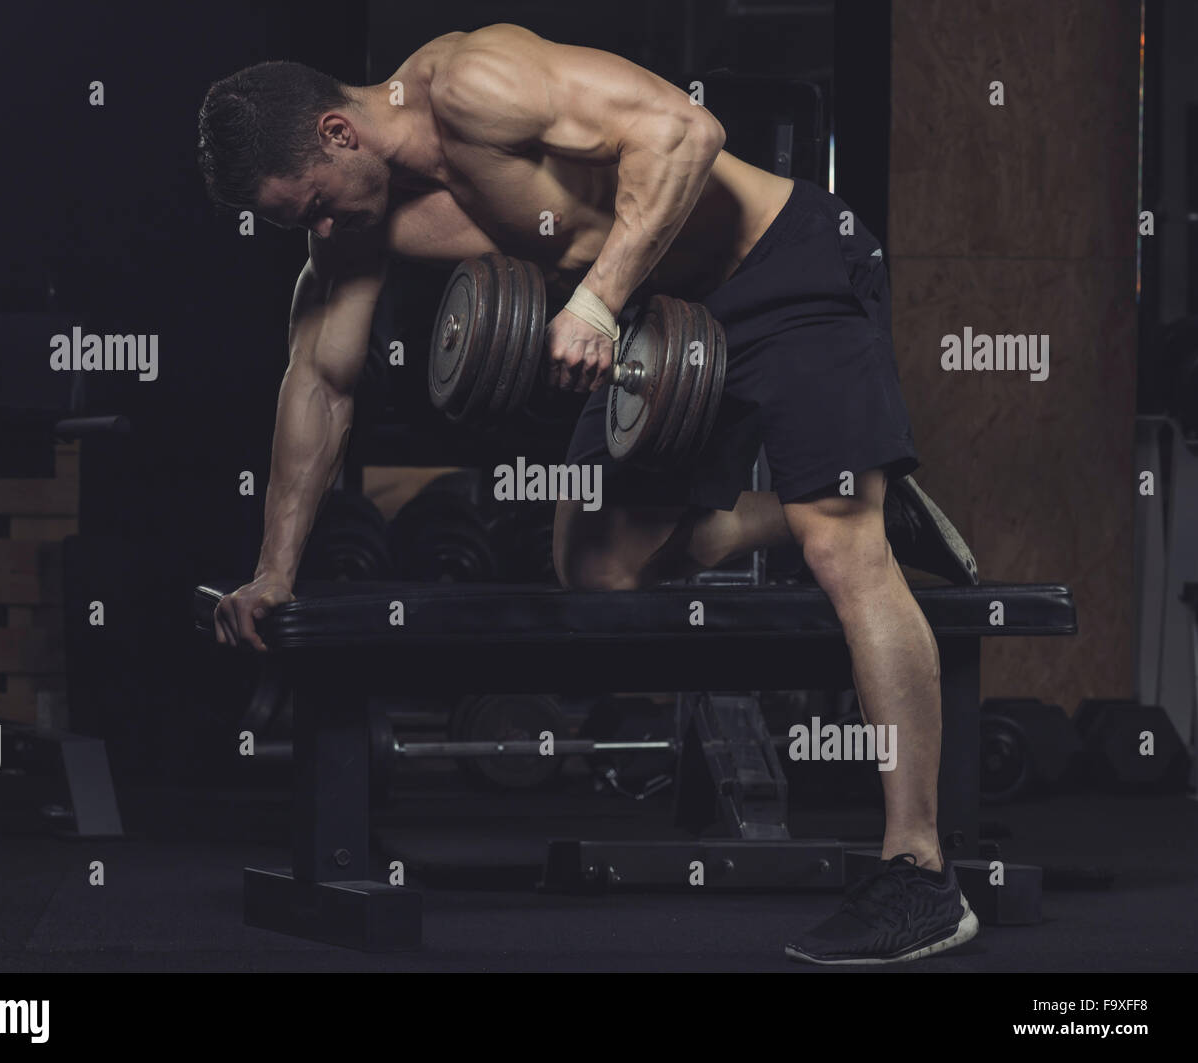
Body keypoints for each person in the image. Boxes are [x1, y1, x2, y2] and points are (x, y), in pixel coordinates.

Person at [198, 23, 978, 963]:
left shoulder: (476, 81)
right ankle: (866, 499)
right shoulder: (360, 228)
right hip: (665, 316)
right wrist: (273, 572)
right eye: (298, 224)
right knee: (598, 570)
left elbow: (687, 134)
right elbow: (319, 383)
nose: (317, 231)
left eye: (312, 206)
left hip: (783, 263)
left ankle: (920, 875)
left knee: (838, 550)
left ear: (336, 132)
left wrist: (598, 301)